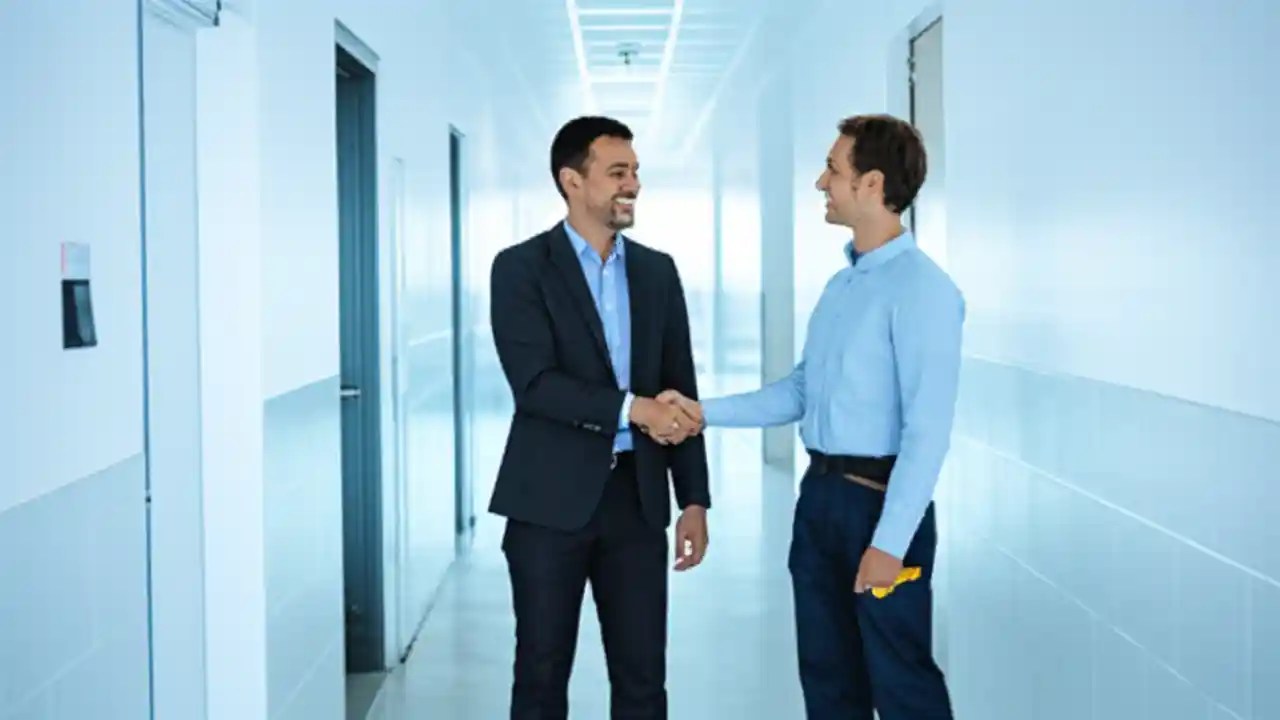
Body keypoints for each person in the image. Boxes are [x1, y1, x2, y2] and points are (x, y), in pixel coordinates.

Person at [662, 114, 961, 719]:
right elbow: (800, 391)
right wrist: (702, 414)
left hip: (877, 506)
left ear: (872, 184)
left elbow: (926, 433)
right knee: (827, 681)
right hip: (820, 500)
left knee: (902, 685)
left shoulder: (923, 290)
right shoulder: (841, 286)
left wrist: (890, 543)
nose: (821, 182)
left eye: (833, 168)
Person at [487, 115, 711, 720]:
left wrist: (693, 498)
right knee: (540, 675)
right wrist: (631, 408)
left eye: (635, 171)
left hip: (636, 503)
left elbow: (679, 388)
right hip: (547, 505)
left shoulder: (656, 271)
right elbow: (535, 385)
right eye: (618, 172)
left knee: (643, 682)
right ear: (571, 180)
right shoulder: (520, 268)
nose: (632, 184)